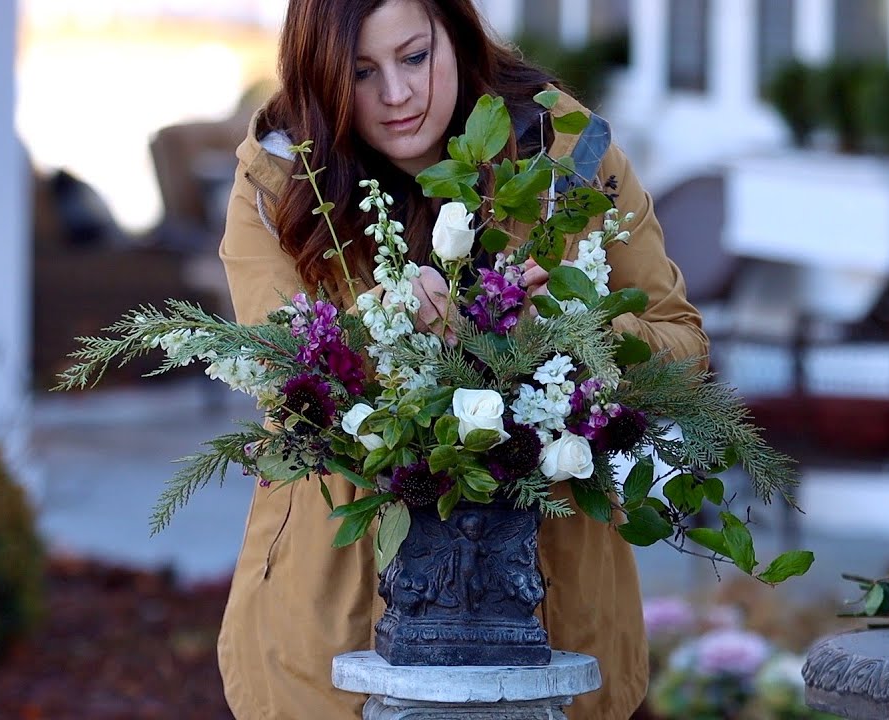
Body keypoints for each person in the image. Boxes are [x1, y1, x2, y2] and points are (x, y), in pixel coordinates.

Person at [216, 1, 709, 717]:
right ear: (319, 77)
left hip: (553, 619)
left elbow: (682, 345)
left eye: (415, 57)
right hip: (329, 624)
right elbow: (278, 376)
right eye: (360, 73)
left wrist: (568, 332)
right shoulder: (280, 180)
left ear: (458, 33)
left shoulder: (565, 152)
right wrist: (376, 327)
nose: (396, 95)